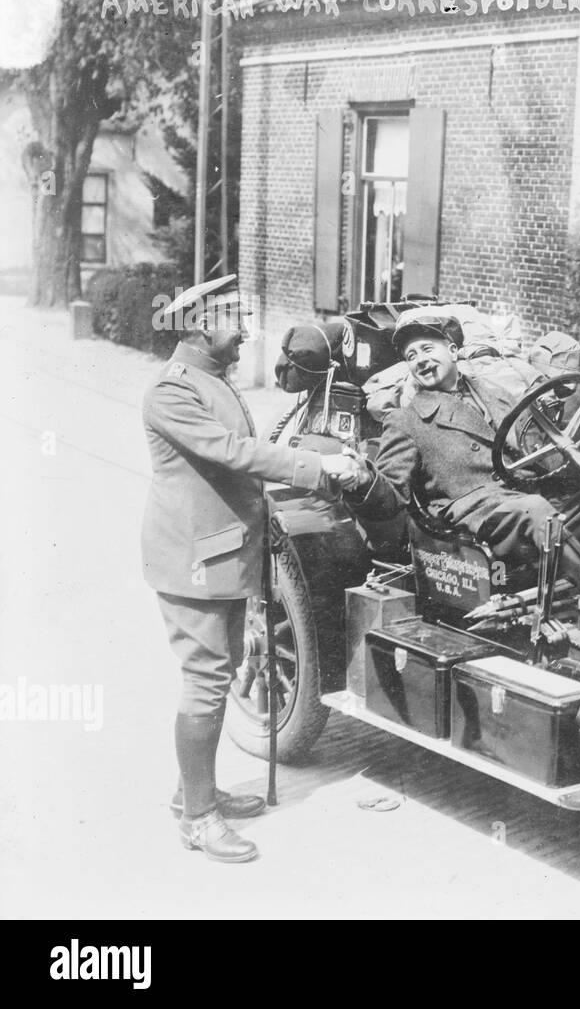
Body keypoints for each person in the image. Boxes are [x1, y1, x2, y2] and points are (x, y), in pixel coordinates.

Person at [142, 274, 358, 864]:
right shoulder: (172, 391)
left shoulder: (214, 380)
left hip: (225, 553)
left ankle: (196, 792)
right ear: (199, 324)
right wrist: (317, 465)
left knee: (224, 669)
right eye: (234, 319)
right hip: (194, 562)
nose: (245, 331)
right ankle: (198, 819)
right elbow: (234, 454)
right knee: (208, 685)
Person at [345, 308, 580, 638]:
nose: (420, 361)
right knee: (537, 511)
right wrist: (362, 480)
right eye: (411, 356)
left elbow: (537, 455)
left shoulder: (497, 394)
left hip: (523, 498)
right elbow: (390, 493)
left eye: (428, 349)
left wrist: (578, 461)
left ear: (454, 351)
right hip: (475, 517)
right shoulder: (406, 420)